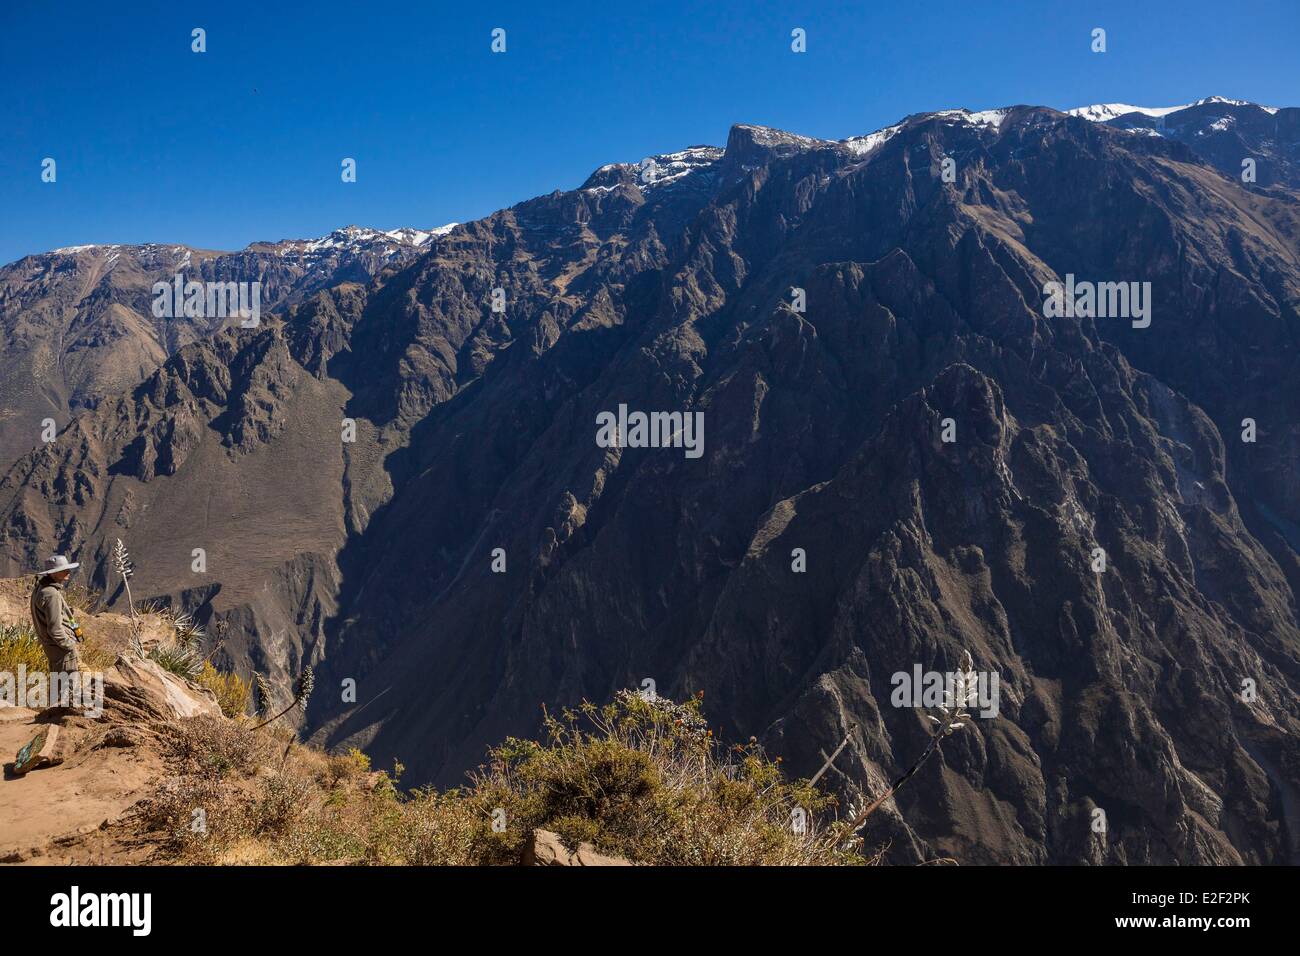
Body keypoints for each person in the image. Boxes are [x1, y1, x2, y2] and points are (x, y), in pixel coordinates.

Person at [30, 555, 83, 674]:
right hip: (61, 649)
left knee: (58, 686)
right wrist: (70, 645)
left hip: (53, 648)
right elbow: (55, 629)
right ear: (53, 573)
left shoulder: (41, 588)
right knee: (66, 688)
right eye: (63, 570)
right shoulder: (51, 594)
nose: (68, 572)